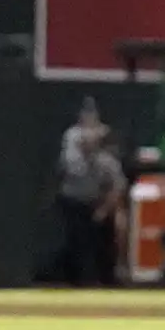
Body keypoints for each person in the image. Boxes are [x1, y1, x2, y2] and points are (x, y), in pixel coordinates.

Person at [53, 99, 125, 286]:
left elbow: (117, 185)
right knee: (77, 241)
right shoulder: (72, 141)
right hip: (73, 200)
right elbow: (69, 170)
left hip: (98, 202)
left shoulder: (107, 154)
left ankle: (107, 278)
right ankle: (76, 280)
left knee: (107, 236)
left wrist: (104, 210)